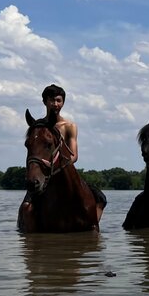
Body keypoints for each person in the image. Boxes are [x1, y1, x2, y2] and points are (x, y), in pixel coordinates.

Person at [21, 84, 107, 226]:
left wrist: (55, 165)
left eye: (59, 100)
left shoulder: (69, 126)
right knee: (27, 207)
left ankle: (93, 228)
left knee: (100, 198)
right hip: (45, 175)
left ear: (63, 103)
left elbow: (74, 156)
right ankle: (31, 241)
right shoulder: (38, 128)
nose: (55, 104)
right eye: (51, 100)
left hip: (64, 170)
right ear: (45, 102)